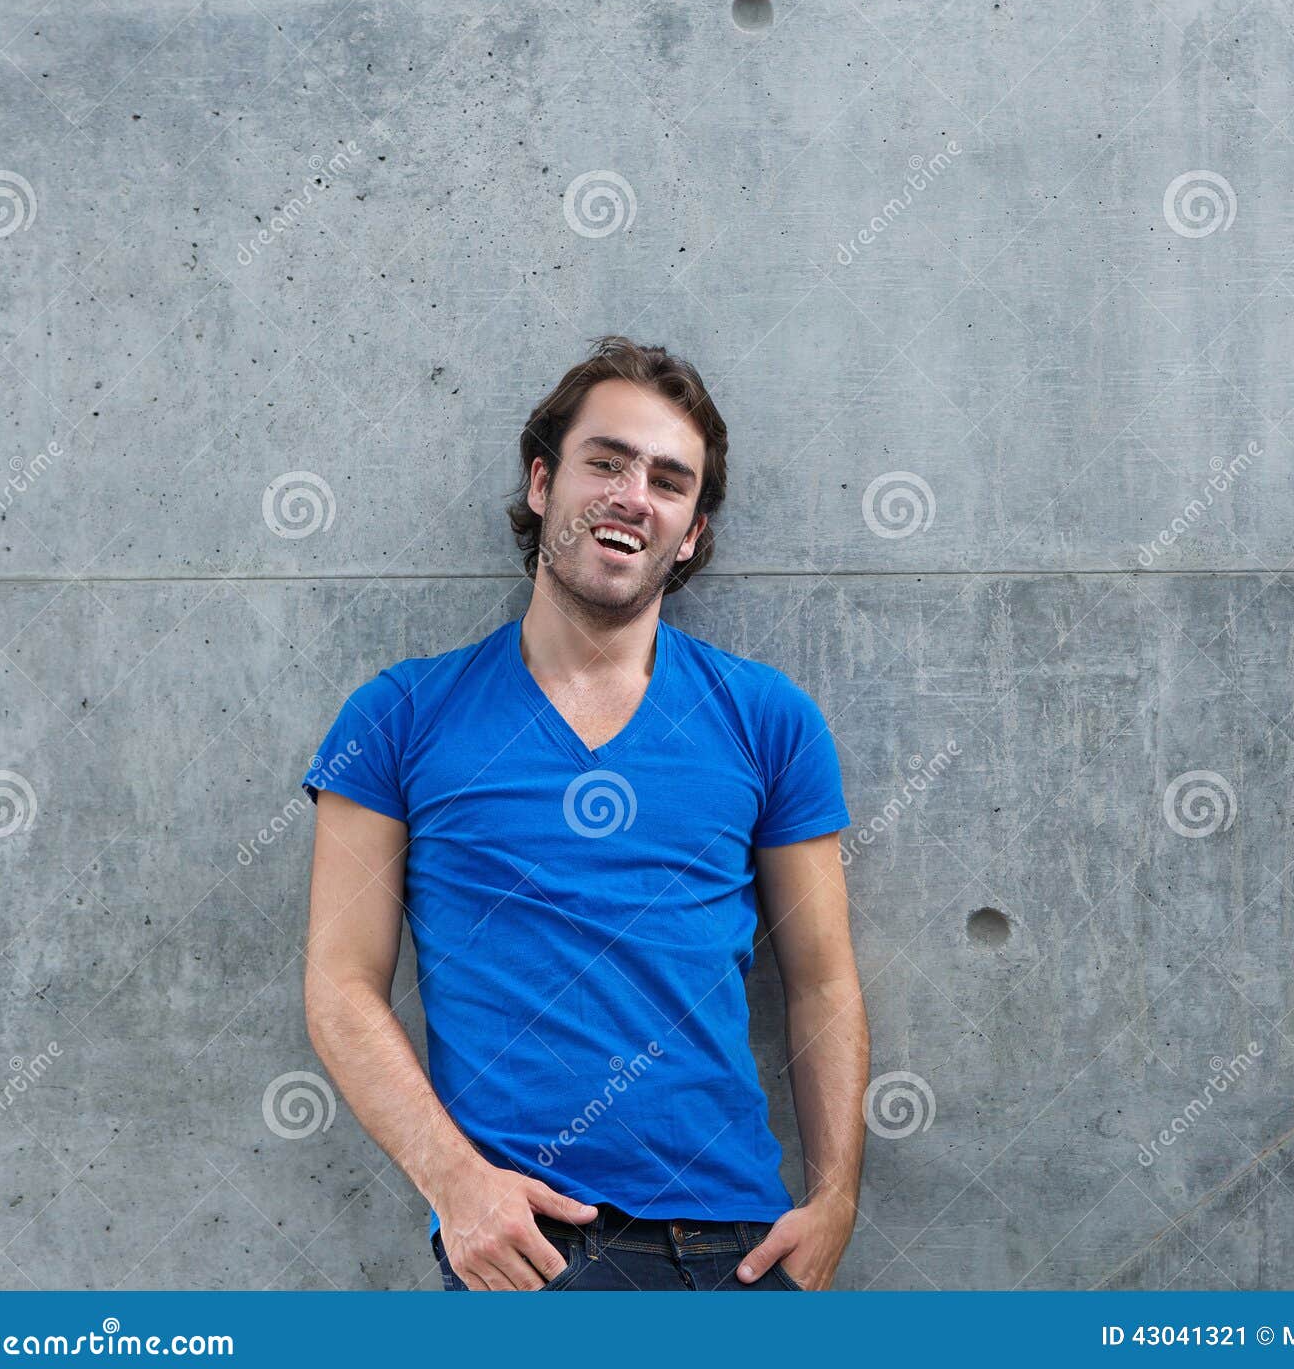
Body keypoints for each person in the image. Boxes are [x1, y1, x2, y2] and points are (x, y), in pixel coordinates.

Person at [301, 335, 869, 1290]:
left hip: (740, 1250)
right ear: (541, 483)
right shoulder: (398, 717)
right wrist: (456, 1186)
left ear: (689, 533)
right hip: (528, 1252)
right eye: (604, 461)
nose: (631, 494)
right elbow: (341, 985)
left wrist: (837, 1200)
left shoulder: (770, 718)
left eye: (669, 480)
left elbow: (820, 981)